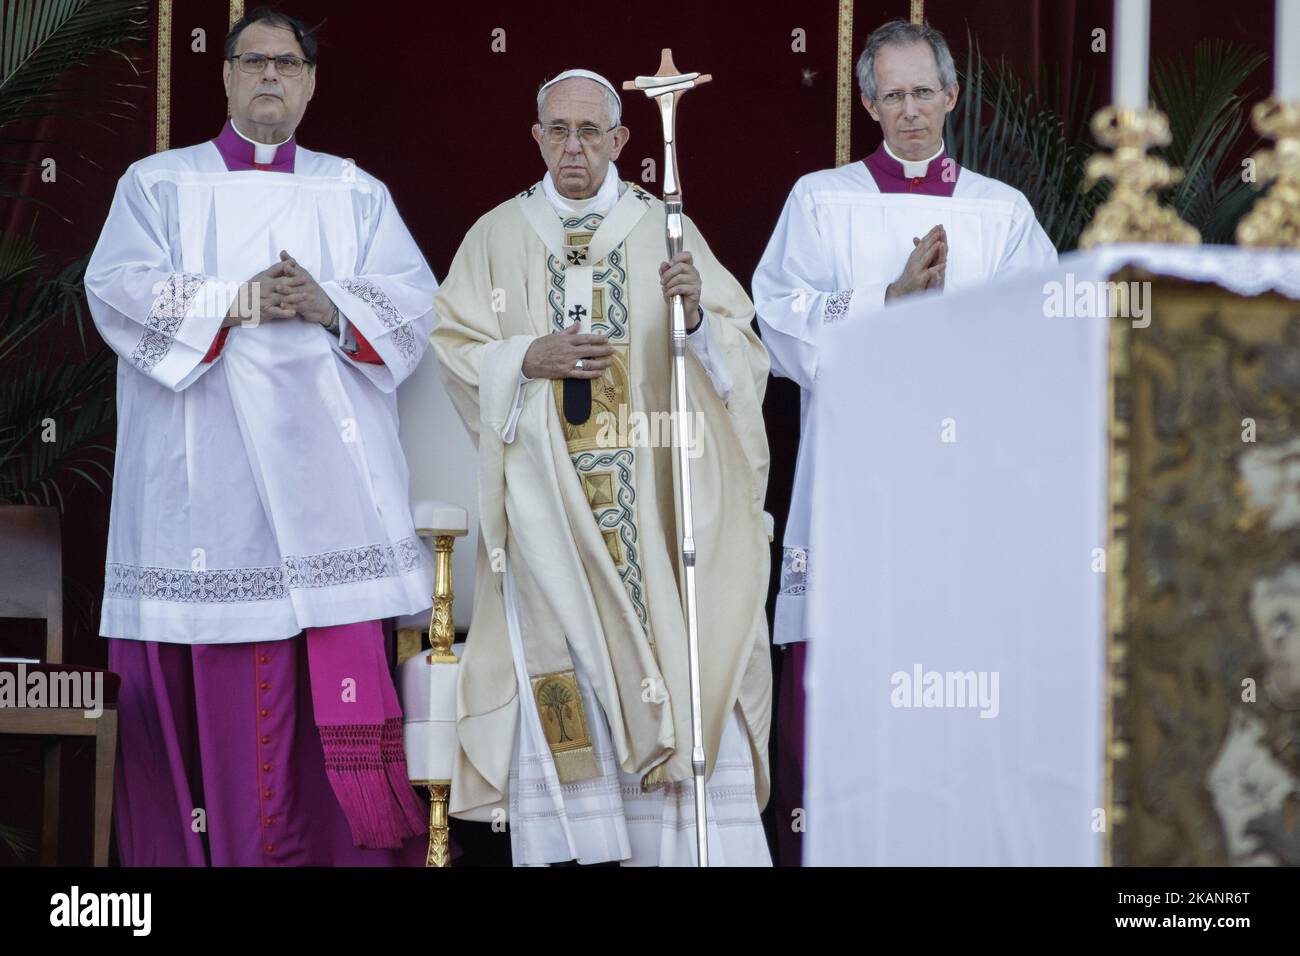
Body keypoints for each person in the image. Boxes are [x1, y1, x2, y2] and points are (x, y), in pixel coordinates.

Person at [85, 6, 436, 865]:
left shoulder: (354, 192)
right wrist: (235, 302)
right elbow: (116, 289)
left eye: (288, 63)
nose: (271, 76)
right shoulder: (158, 184)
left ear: (312, 83)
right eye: (254, 62)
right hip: (205, 497)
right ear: (228, 76)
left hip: (328, 502)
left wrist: (328, 305)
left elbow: (415, 304)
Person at [431, 69, 773, 866]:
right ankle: (583, 849)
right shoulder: (496, 236)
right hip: (551, 512)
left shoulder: (667, 230)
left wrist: (692, 318)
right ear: (538, 137)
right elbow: (454, 349)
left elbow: (741, 351)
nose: (573, 146)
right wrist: (527, 356)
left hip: (655, 511)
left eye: (591, 132)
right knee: (568, 681)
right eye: (558, 130)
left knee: (677, 662)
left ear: (623, 141)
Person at [752, 18, 1058, 866]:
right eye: (893, 95)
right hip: (854, 481)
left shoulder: (1002, 213)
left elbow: (1043, 338)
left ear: (953, 97)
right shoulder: (821, 200)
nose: (911, 111)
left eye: (926, 92)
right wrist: (886, 300)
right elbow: (775, 321)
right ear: (866, 103)